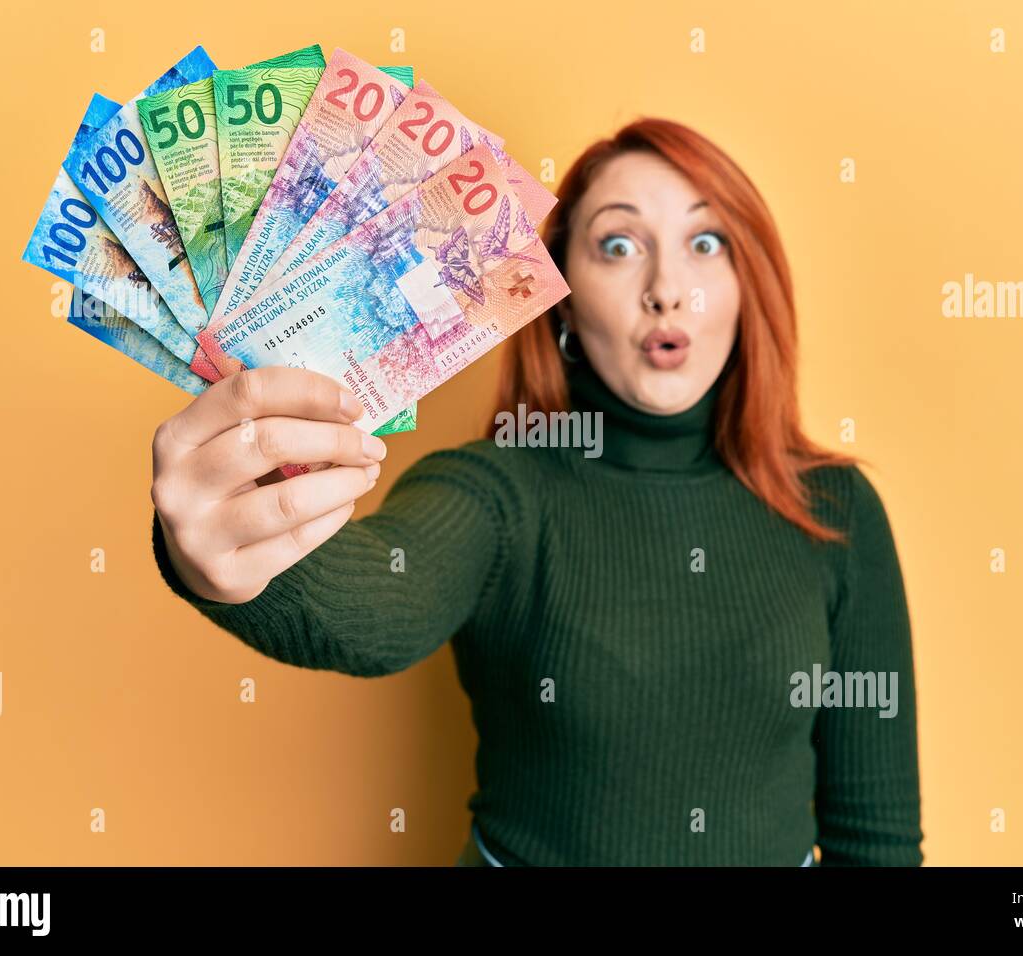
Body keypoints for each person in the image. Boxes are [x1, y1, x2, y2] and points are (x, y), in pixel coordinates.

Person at [148, 117, 925, 867]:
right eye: (618, 246)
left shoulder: (837, 510)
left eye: (706, 242)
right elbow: (378, 610)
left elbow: (877, 845)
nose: (667, 288)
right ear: (560, 302)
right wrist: (226, 546)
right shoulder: (500, 492)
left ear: (748, 281)